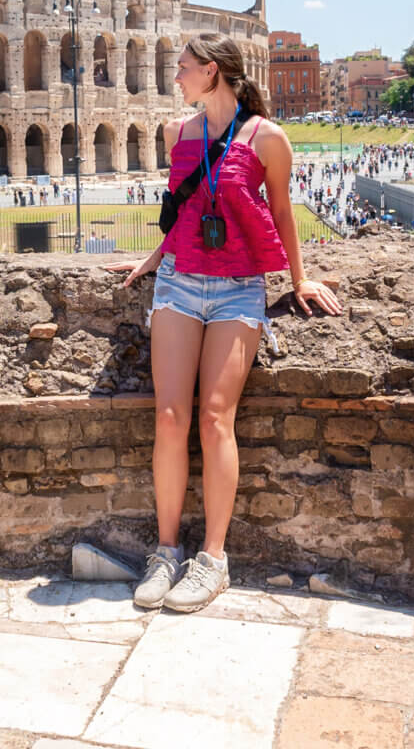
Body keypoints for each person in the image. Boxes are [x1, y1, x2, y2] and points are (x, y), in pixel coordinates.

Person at [107, 34, 342, 613]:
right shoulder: (178, 135)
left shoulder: (268, 138)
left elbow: (282, 213)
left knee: (215, 418)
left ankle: (212, 559)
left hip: (240, 289)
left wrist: (299, 279)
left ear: (212, 72)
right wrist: (154, 257)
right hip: (180, 281)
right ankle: (165, 552)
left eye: (185, 69)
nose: (178, 78)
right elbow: (185, 208)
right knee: (169, 415)